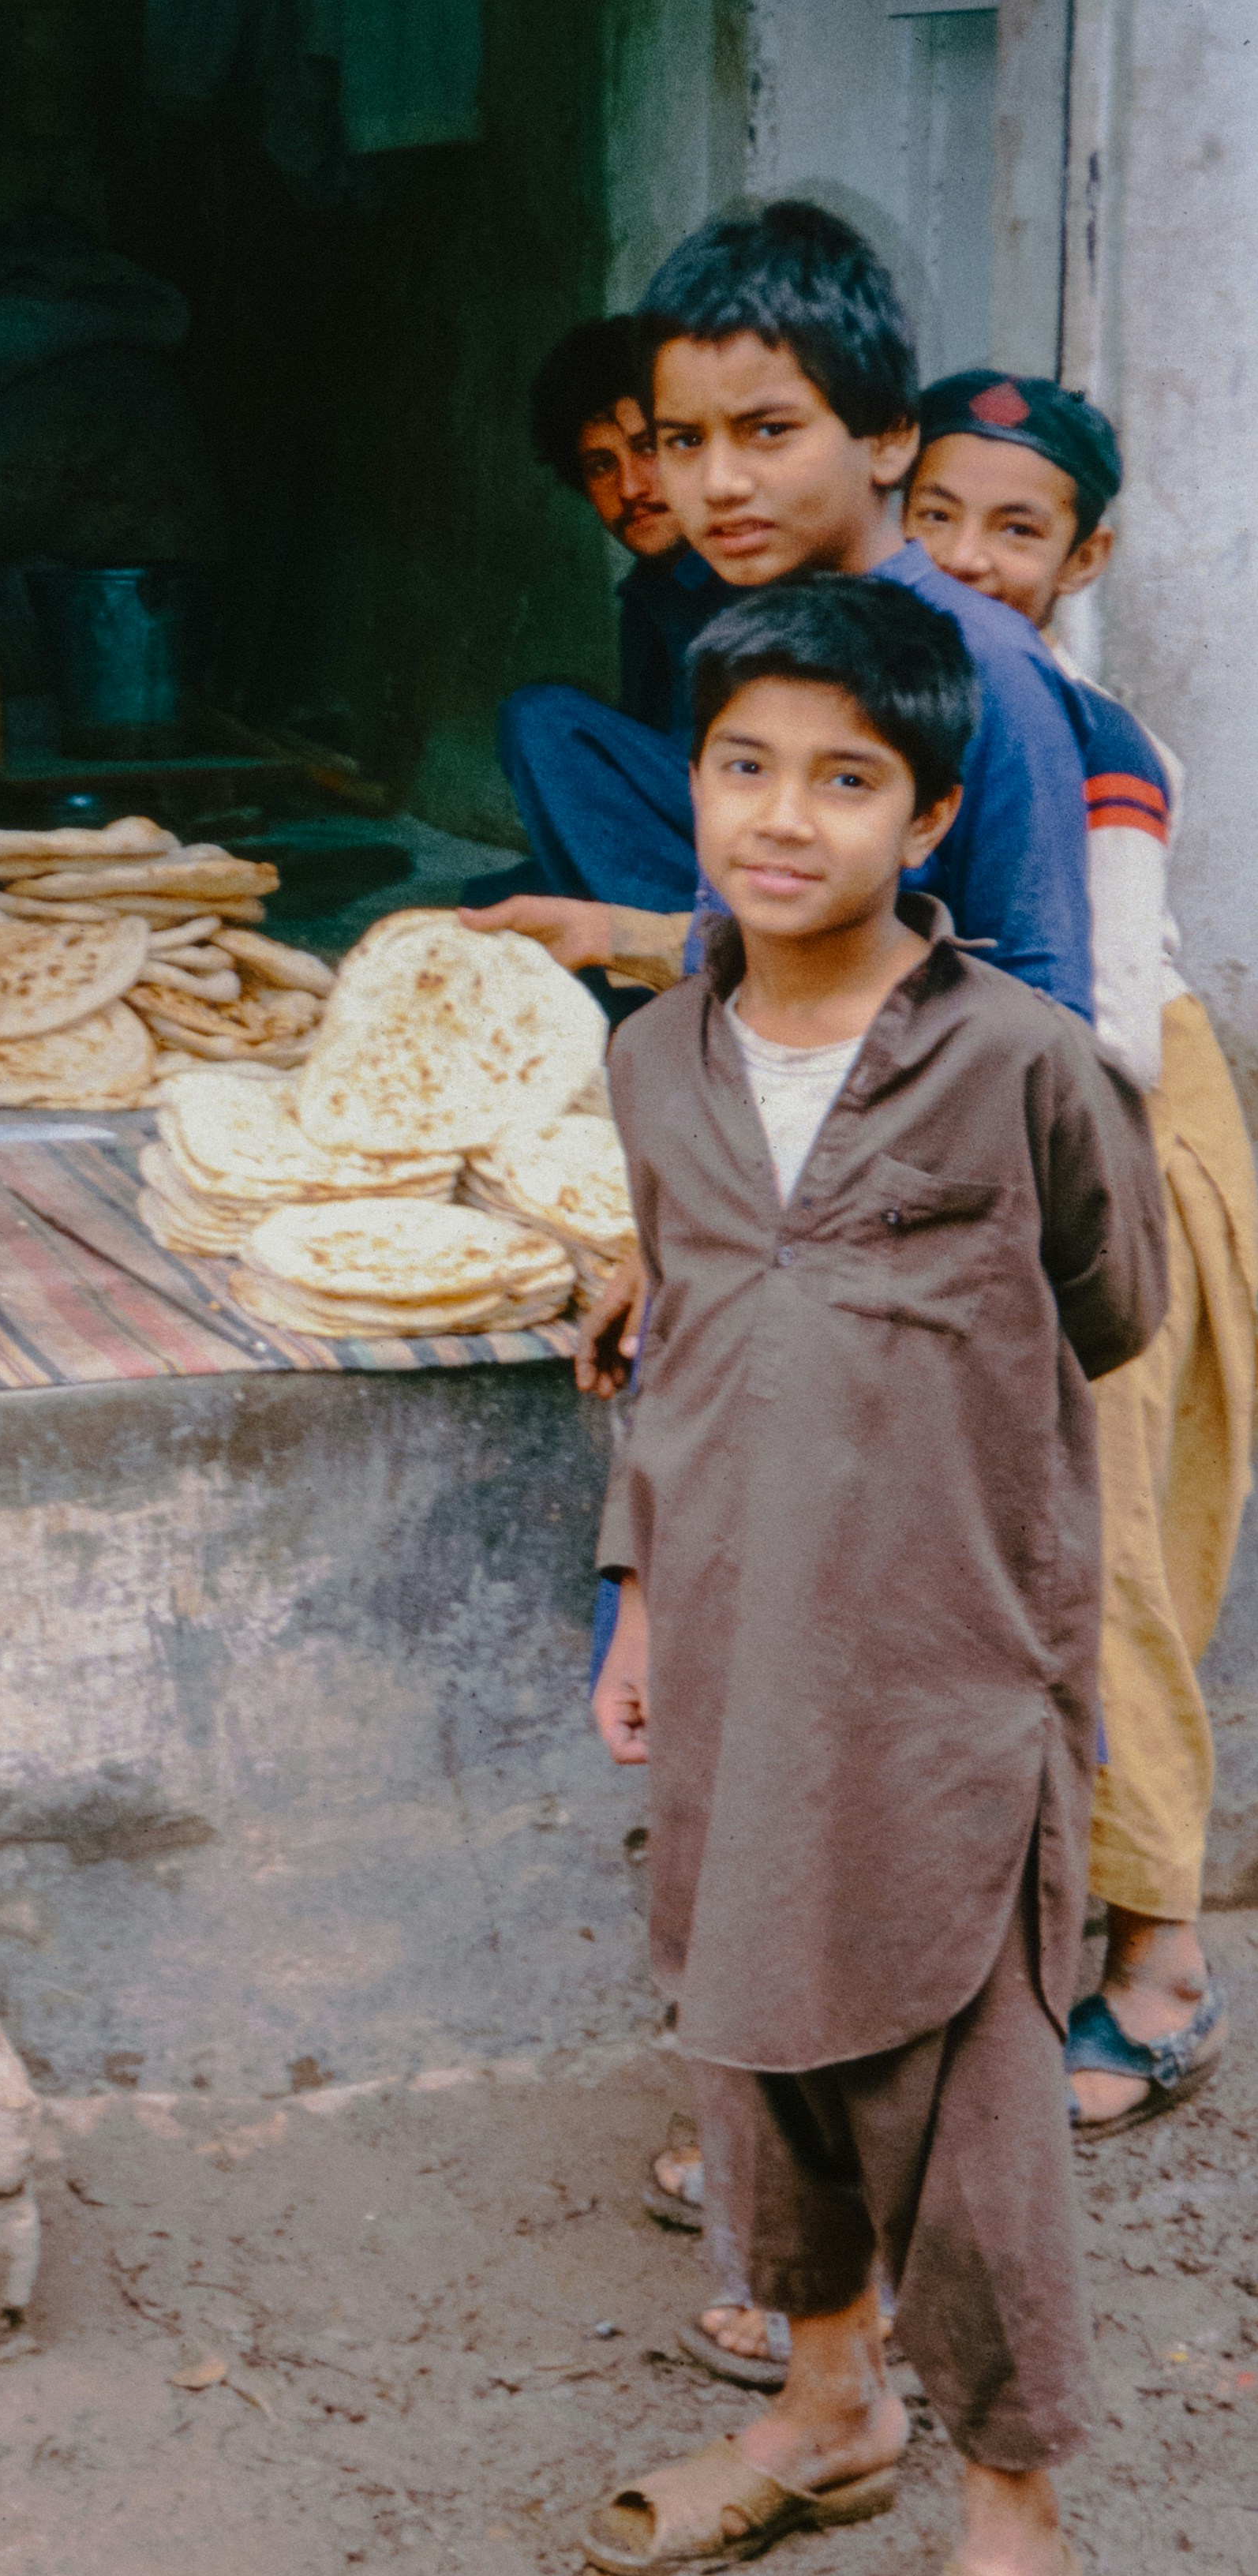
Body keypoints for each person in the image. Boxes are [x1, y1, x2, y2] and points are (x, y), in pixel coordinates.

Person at [578, 578, 1166, 2576]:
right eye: (741, 765)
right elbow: (662, 1347)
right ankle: (826, 2411)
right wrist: (635, 1593)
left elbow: (1109, 1309)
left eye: (842, 778)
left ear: (922, 815)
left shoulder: (1015, 1063)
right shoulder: (654, 1059)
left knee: (958, 2081)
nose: (780, 814)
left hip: (940, 1662)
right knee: (757, 2037)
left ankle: (1010, 2519)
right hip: (732, 1646)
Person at [907, 369, 1258, 2135]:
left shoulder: (1094, 734)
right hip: (1011, 1116)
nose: (971, 558)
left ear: (1087, 550)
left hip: (1113, 1134)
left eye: (1017, 530)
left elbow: (1104, 1013)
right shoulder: (915, 685)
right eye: (942, 516)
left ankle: (1164, 1970)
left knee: (1111, 1543)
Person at [468, 201, 1098, 1032]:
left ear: (887, 440)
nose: (718, 482)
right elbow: (750, 933)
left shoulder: (986, 662)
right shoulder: (747, 648)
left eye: (766, 430)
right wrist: (616, 935)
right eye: (682, 440)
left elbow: (1043, 1002)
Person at [484, 317, 736, 913]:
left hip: (758, 834)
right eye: (600, 466)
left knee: (543, 721)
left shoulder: (742, 569)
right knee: (496, 901)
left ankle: (665, 955)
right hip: (691, 828)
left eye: (648, 449)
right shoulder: (652, 592)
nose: (630, 487)